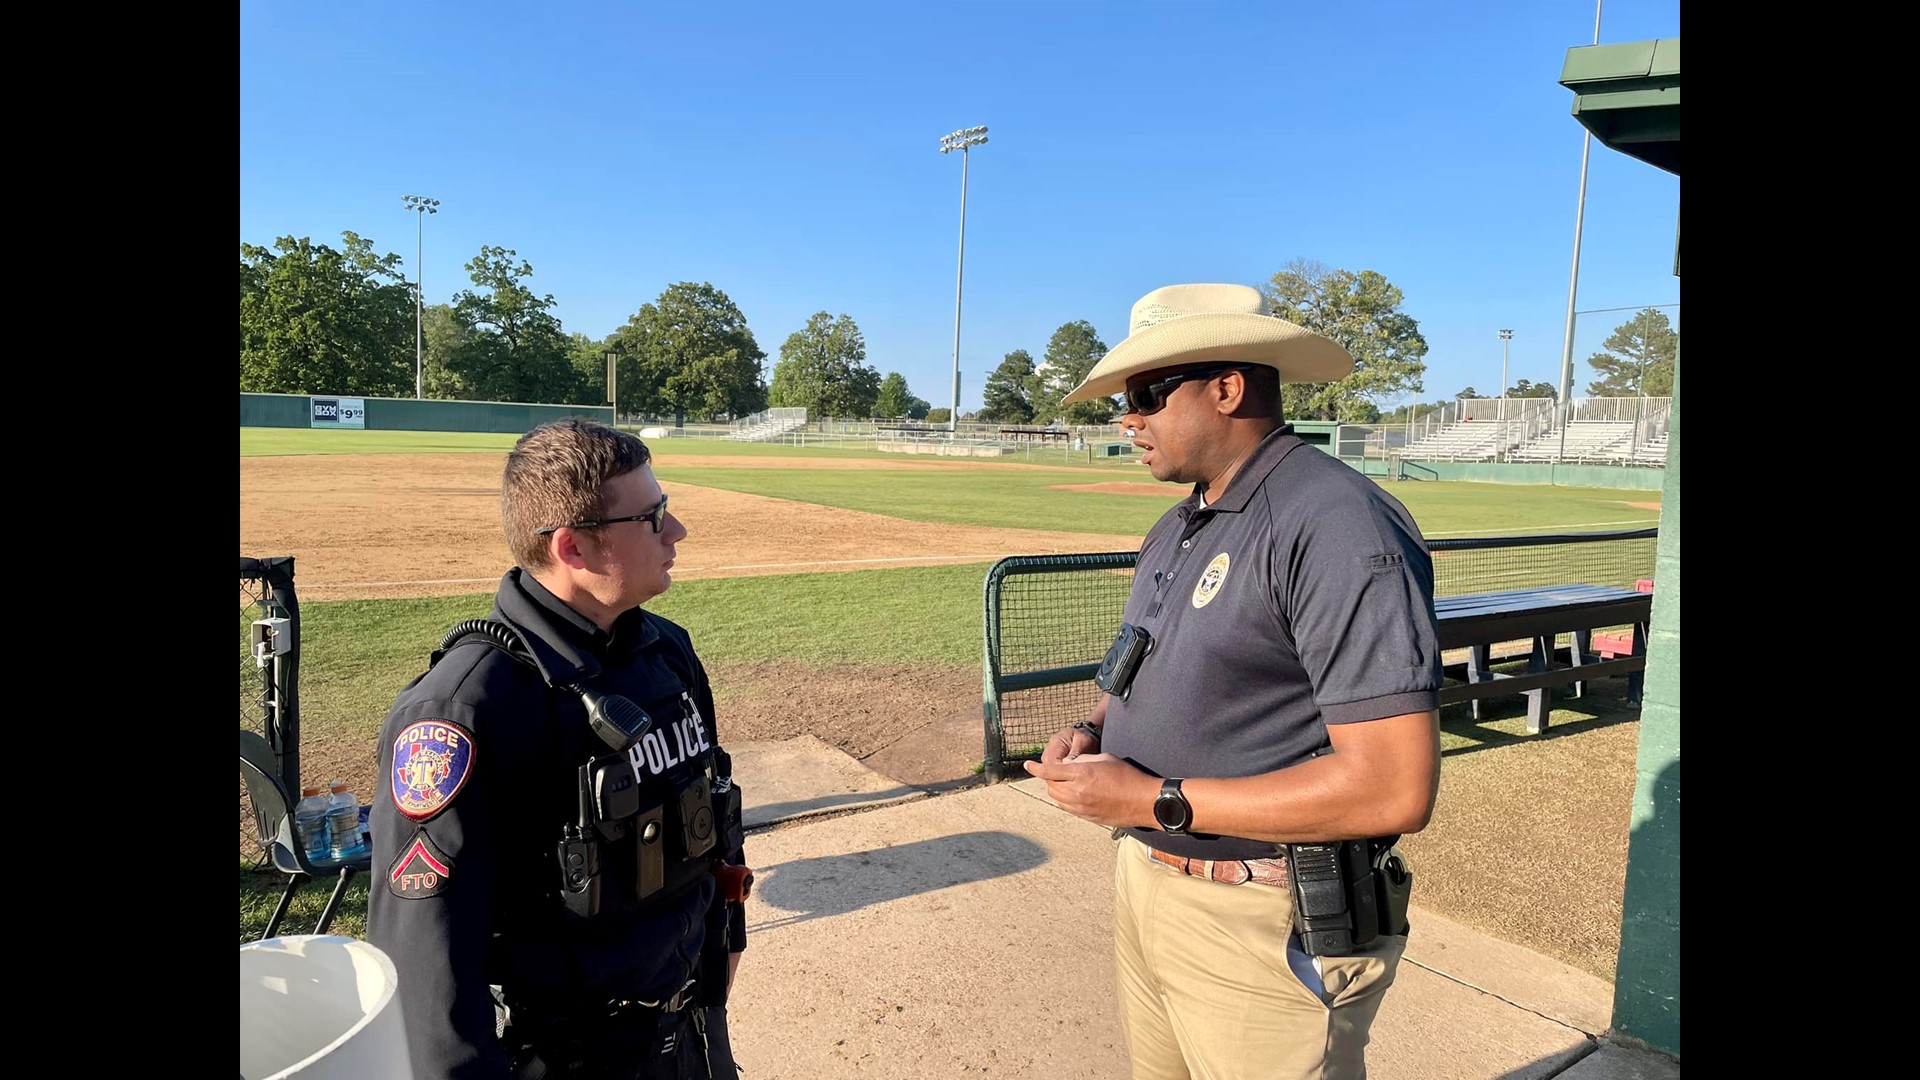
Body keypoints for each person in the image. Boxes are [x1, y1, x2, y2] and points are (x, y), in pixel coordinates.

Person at [1022, 283, 1443, 1080]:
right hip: (1151, 880)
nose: (1128, 418)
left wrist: (1153, 800)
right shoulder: (1185, 518)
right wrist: (1093, 730)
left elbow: (1394, 788)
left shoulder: (1335, 521)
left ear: (1227, 388)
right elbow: (1136, 664)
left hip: (1260, 914)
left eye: (1147, 394)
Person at [369, 417, 748, 1080]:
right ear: (574, 549)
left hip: (689, 1034)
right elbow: (427, 972)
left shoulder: (667, 651)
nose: (676, 531)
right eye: (652, 516)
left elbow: (713, 815)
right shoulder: (464, 709)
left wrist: (720, 960)